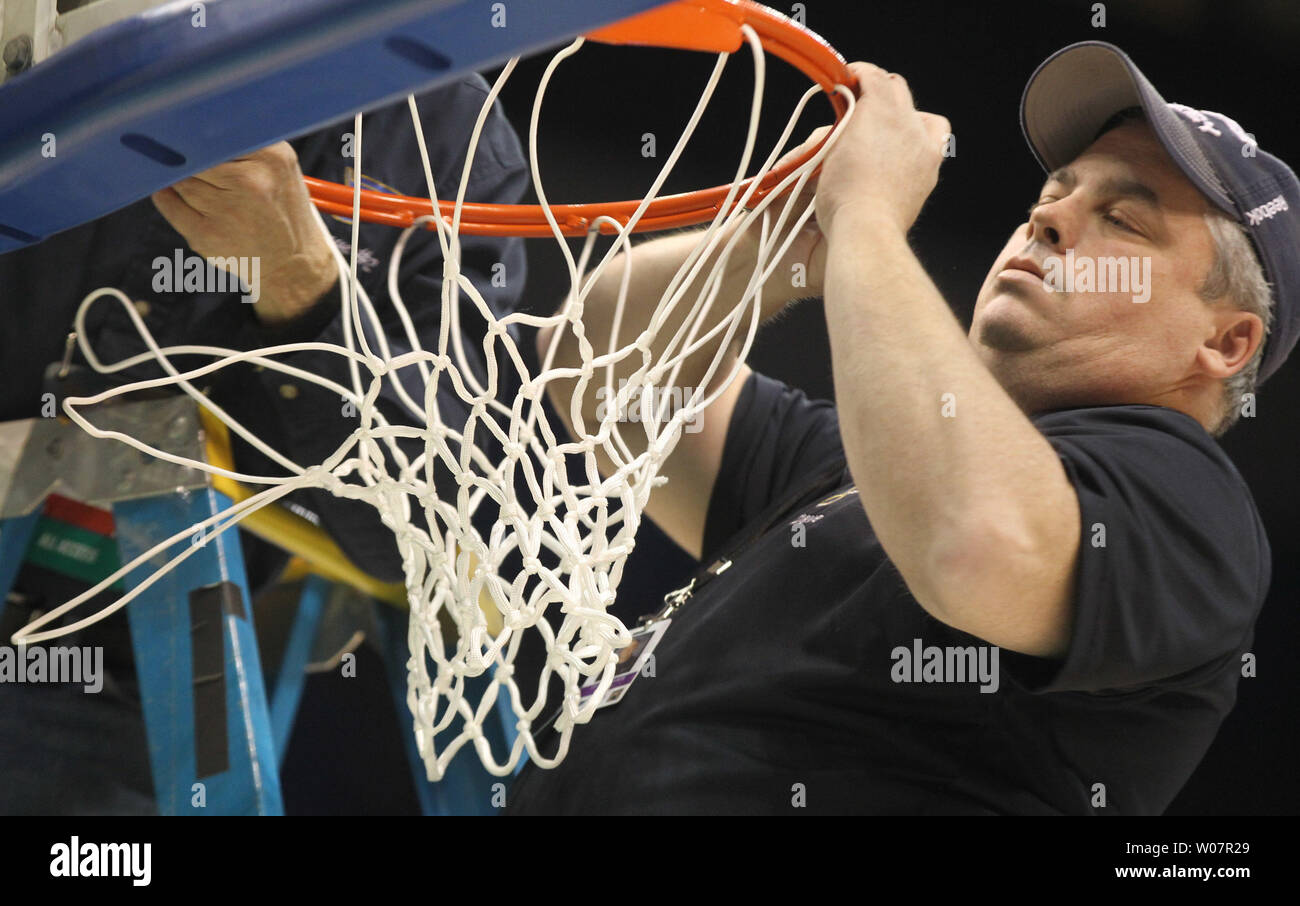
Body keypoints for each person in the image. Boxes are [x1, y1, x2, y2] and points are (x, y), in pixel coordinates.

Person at [506, 41, 1298, 815]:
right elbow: (601, 370)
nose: (1049, 219)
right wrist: (778, 243)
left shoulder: (1192, 503)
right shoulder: (857, 476)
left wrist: (870, 219)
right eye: (1052, 194)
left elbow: (972, 543)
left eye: (1122, 219)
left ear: (1226, 344)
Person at [0, 74, 528, 814]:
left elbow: (422, 540)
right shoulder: (61, 38)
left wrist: (300, 282)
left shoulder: (447, 137)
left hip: (124, 679)